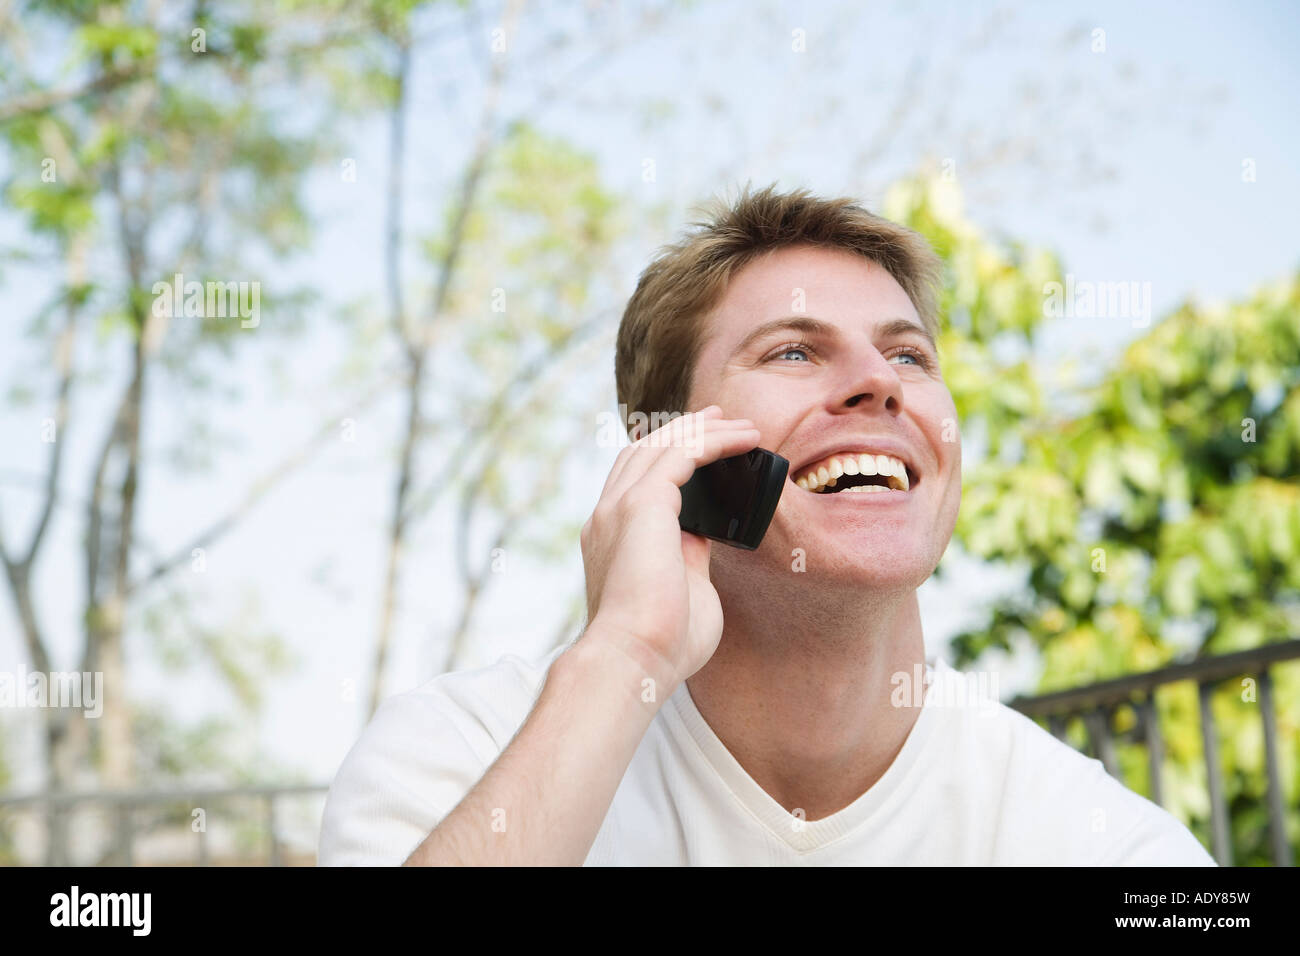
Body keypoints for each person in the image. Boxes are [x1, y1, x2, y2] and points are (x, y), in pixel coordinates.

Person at [318, 184, 1215, 866]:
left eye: (909, 353)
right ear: (671, 449)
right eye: (793, 350)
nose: (882, 382)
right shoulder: (461, 757)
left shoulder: (1097, 841)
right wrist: (626, 653)